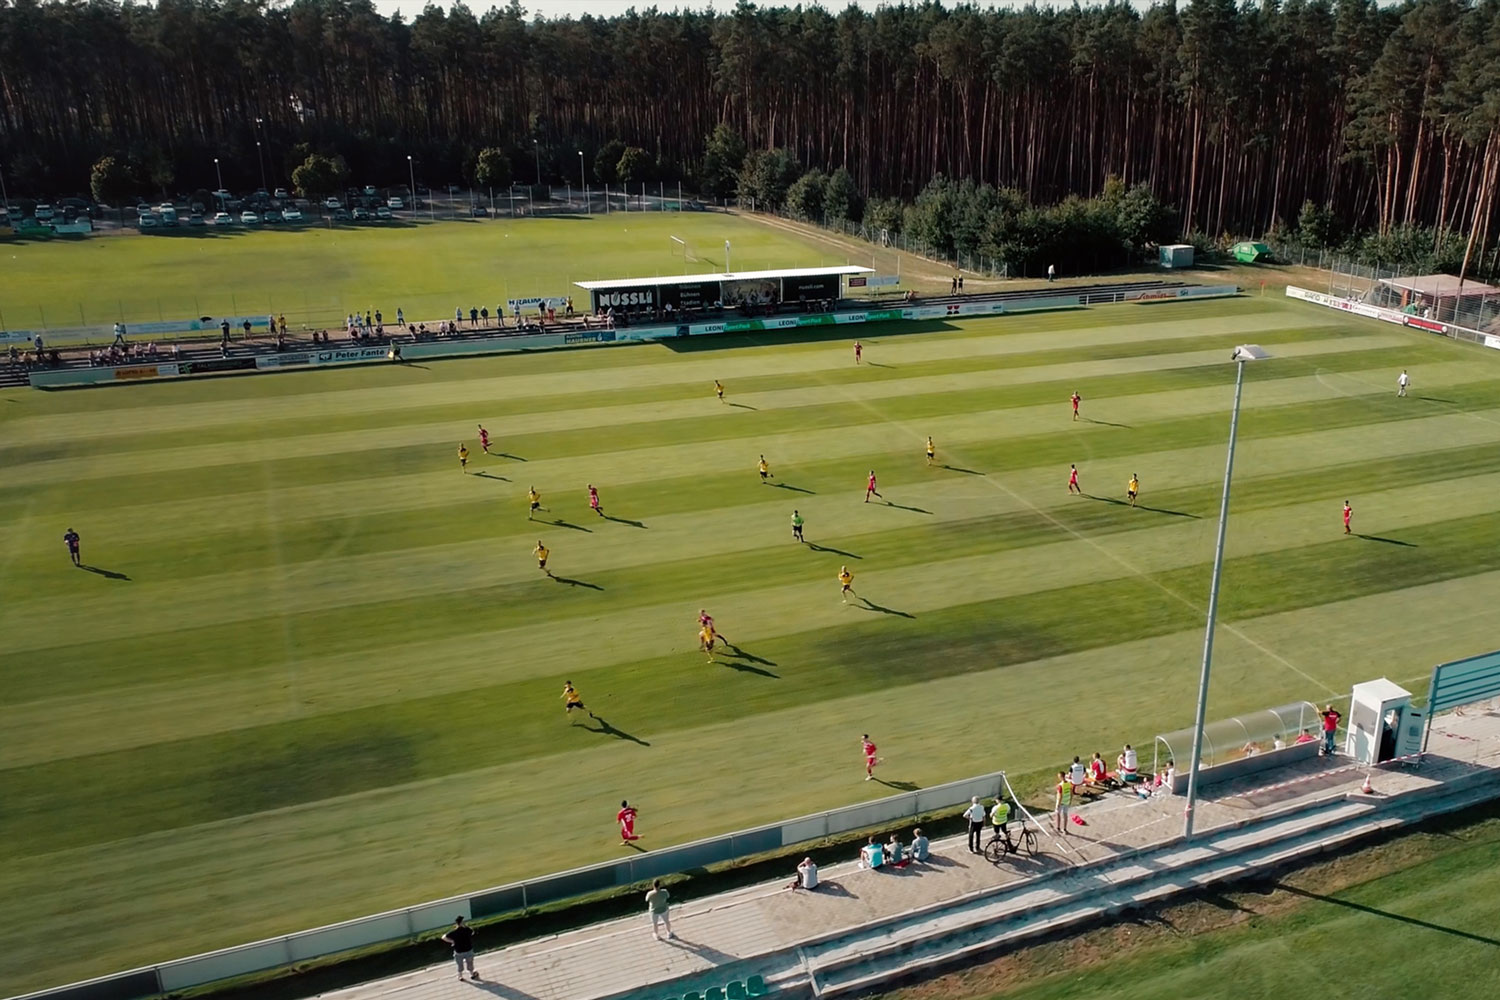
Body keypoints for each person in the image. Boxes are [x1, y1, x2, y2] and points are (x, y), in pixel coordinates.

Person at [441, 916, 478, 981]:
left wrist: (452, 941)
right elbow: (473, 932)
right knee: (470, 963)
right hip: (468, 950)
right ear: (461, 922)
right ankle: (472, 975)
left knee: (459, 965)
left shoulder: (454, 932)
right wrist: (466, 926)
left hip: (458, 951)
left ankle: (460, 976)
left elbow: (443, 937)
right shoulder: (467, 930)